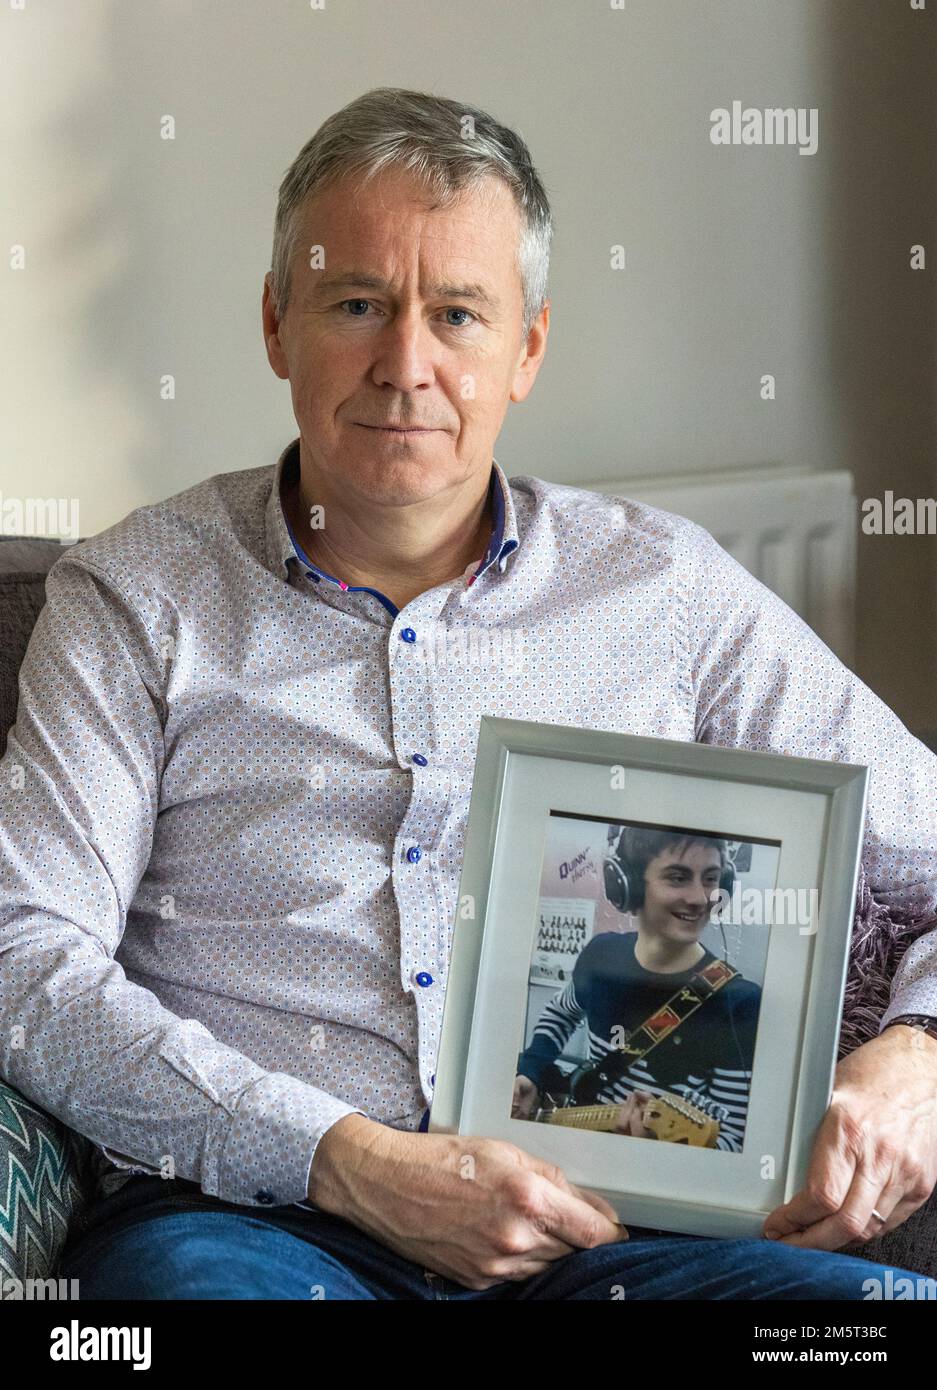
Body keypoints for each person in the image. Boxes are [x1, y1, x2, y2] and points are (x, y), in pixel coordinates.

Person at [2, 87, 936, 1300]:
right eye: (357, 305)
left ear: (527, 348)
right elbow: (25, 951)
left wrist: (915, 1055)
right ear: (277, 324)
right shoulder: (135, 595)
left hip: (629, 1238)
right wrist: (345, 1160)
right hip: (256, 1224)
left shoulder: (666, 590)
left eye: (457, 314)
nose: (406, 366)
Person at [514, 832, 761, 1152]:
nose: (700, 898)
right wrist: (531, 1071)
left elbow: (731, 1143)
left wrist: (652, 1155)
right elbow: (562, 1012)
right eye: (678, 877)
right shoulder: (600, 955)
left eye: (711, 878)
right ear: (627, 884)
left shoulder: (738, 1003)